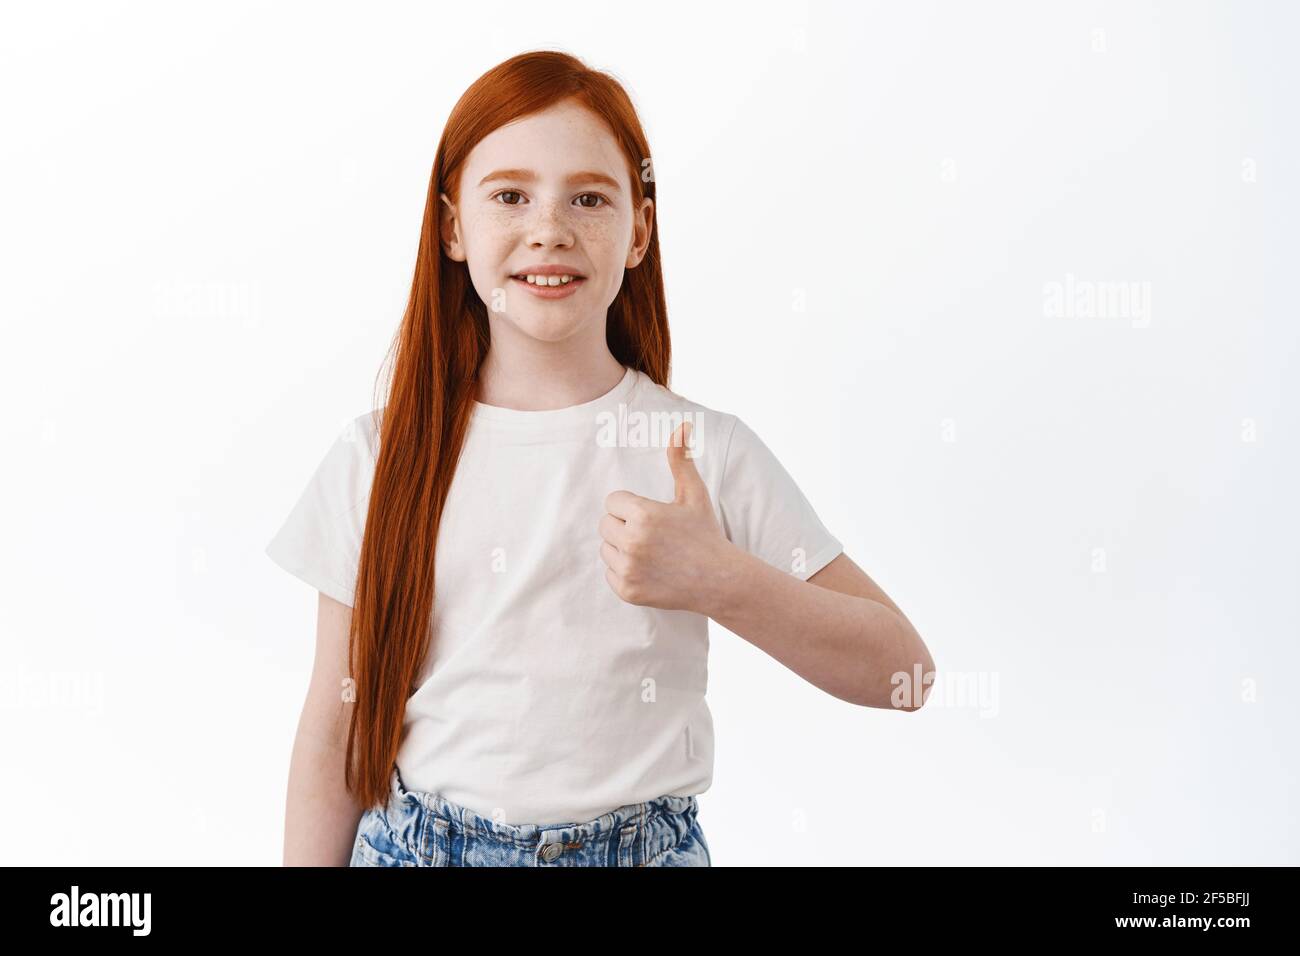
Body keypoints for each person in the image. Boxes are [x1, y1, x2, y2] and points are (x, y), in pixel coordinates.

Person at [266, 49, 935, 867]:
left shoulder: (701, 452)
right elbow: (334, 728)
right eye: (510, 196)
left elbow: (903, 670)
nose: (549, 228)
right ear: (451, 228)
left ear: (638, 232)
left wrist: (720, 578)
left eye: (588, 198)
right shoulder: (377, 457)